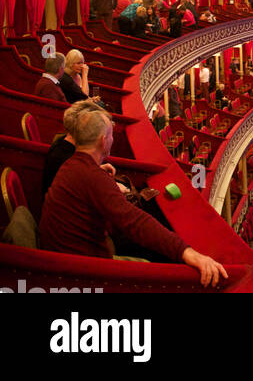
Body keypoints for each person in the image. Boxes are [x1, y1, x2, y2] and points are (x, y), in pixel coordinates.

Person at [39, 101, 227, 285]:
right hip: (82, 271)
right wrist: (188, 252)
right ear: (103, 141)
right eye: (111, 135)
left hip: (65, 258)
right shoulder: (92, 177)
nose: (112, 139)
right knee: (152, 264)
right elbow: (136, 222)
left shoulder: (73, 165)